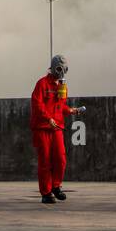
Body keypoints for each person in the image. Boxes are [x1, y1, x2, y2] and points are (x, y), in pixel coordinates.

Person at [31, 54, 80, 204]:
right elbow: (37, 104)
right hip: (43, 128)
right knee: (45, 160)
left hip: (57, 127)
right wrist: (48, 118)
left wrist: (70, 110)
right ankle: (46, 192)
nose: (61, 72)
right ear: (52, 68)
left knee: (60, 158)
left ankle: (56, 185)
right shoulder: (42, 84)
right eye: (59, 68)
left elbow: (60, 106)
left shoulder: (62, 86)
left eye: (64, 69)